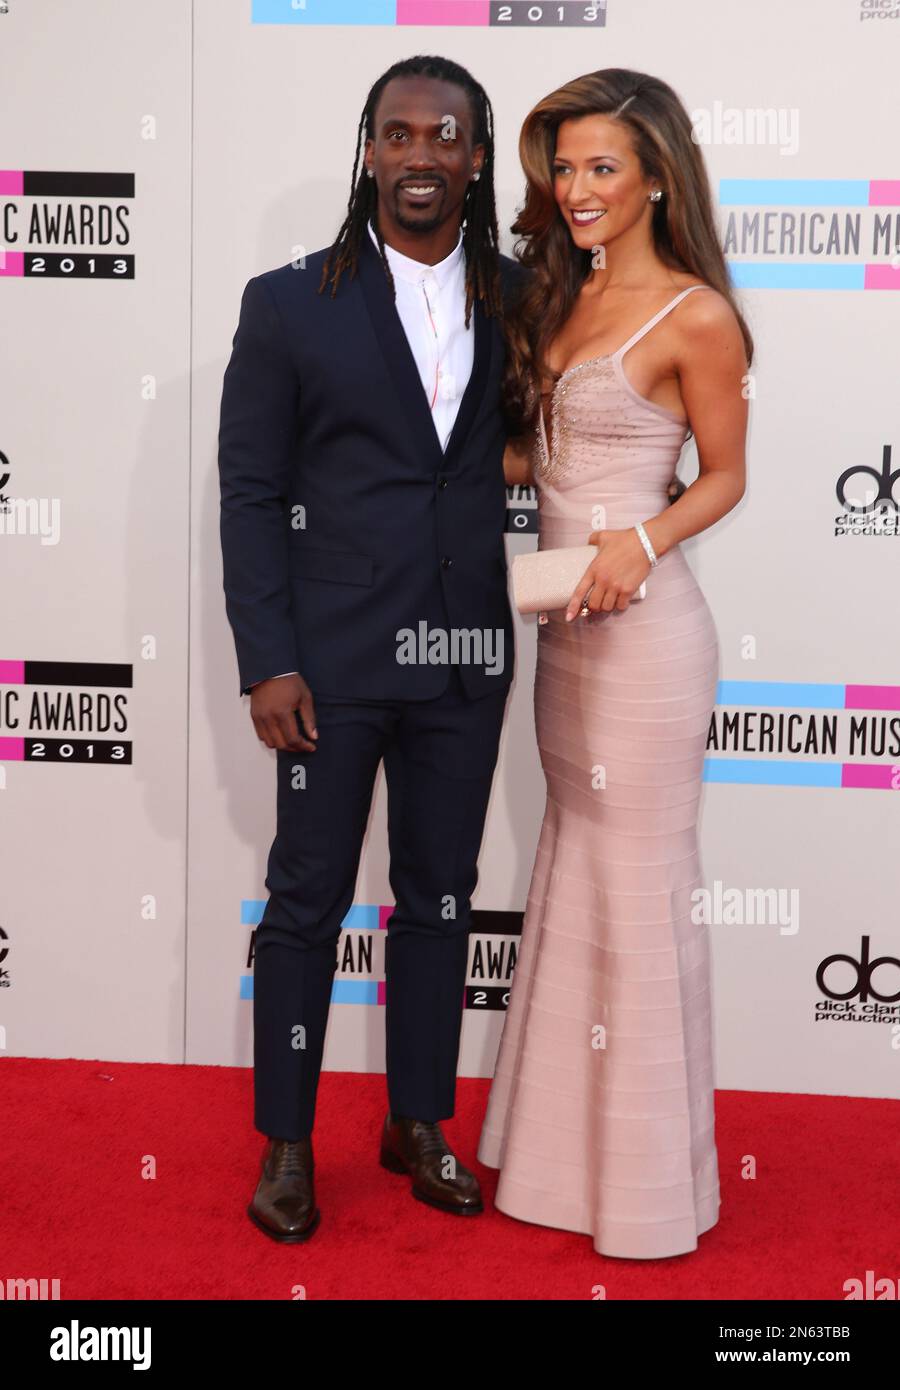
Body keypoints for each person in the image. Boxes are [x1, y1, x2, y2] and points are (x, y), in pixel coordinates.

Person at [217, 55, 522, 1242]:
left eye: (444, 135)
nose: (419, 156)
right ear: (368, 152)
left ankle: (417, 1121)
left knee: (440, 896)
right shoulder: (289, 301)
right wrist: (266, 657)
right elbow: (251, 493)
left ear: (475, 158)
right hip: (329, 668)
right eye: (396, 134)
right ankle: (288, 1143)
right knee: (307, 901)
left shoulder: (518, 293)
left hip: (463, 659)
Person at [478, 68, 751, 1260]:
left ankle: (643, 1194)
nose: (578, 190)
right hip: (563, 641)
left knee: (637, 884)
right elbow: (541, 467)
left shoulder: (695, 313)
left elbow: (727, 474)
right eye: (565, 167)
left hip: (646, 644)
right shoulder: (562, 297)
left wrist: (639, 540)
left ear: (654, 179)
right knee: (576, 868)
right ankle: (556, 1166)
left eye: (602, 168)